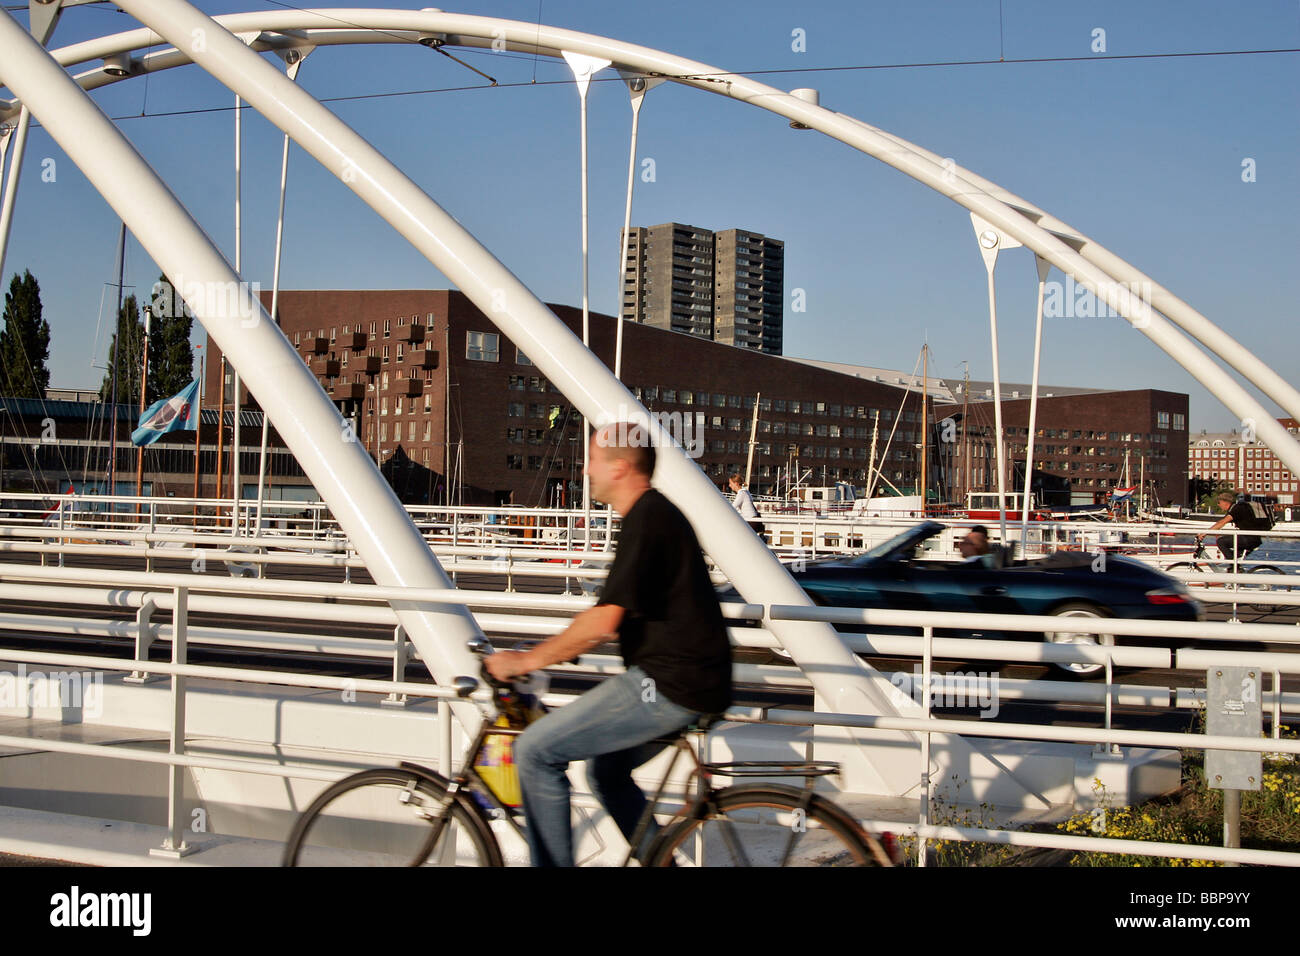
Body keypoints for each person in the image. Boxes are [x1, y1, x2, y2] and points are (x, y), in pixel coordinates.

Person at [486, 422, 733, 867]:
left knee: (535, 751)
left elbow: (604, 619)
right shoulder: (654, 514)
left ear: (620, 468)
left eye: (593, 461)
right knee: (607, 772)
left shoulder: (647, 519)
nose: (584, 471)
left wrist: (525, 659)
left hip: (668, 686)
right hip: (694, 683)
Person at [1197, 493, 1265, 563]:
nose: (1218, 505)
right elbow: (1221, 524)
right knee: (1232, 553)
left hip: (1249, 539)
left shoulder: (1235, 509)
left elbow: (1222, 522)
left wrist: (1204, 534)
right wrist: (1215, 533)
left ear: (1225, 502)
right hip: (1253, 538)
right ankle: (1235, 568)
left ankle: (1234, 567)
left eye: (1219, 502)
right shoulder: (1235, 508)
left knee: (1221, 541)